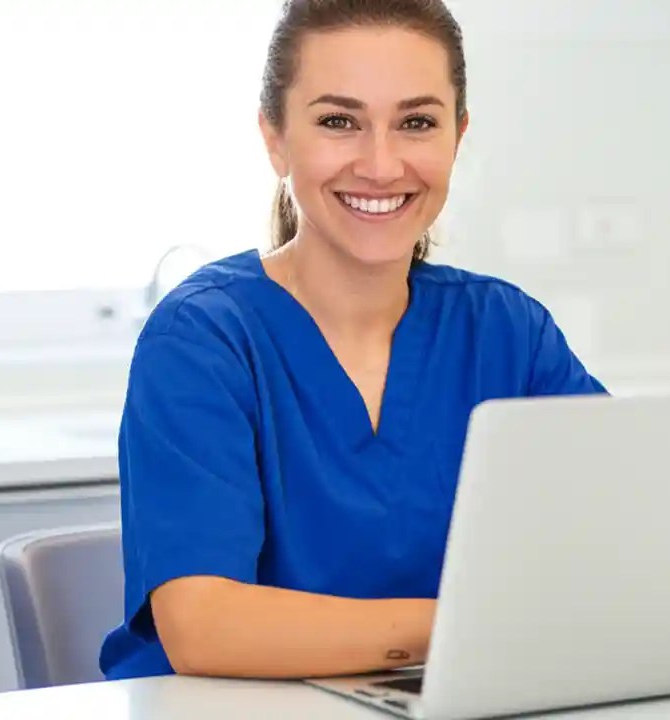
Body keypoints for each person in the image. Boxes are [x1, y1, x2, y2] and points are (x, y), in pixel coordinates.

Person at [98, 0, 607, 682]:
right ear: (275, 138)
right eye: (339, 122)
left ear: (457, 137)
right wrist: (469, 624)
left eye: (416, 123)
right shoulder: (205, 339)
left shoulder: (507, 334)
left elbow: (624, 540)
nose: (380, 162)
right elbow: (204, 628)